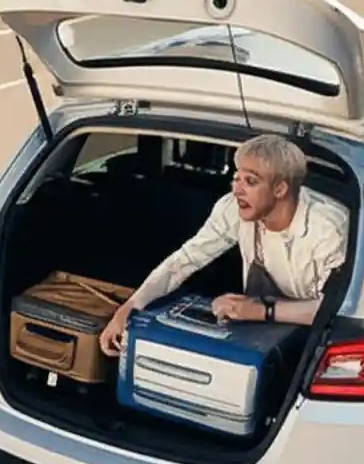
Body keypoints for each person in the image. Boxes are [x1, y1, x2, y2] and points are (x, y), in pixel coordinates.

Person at [100, 133, 349, 356]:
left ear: (280, 188)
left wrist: (258, 310)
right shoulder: (232, 207)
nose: (236, 190)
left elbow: (338, 311)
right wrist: (131, 306)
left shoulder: (327, 230)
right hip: (265, 335)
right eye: (235, 177)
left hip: (318, 337)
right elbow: (185, 260)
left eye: (250, 182)